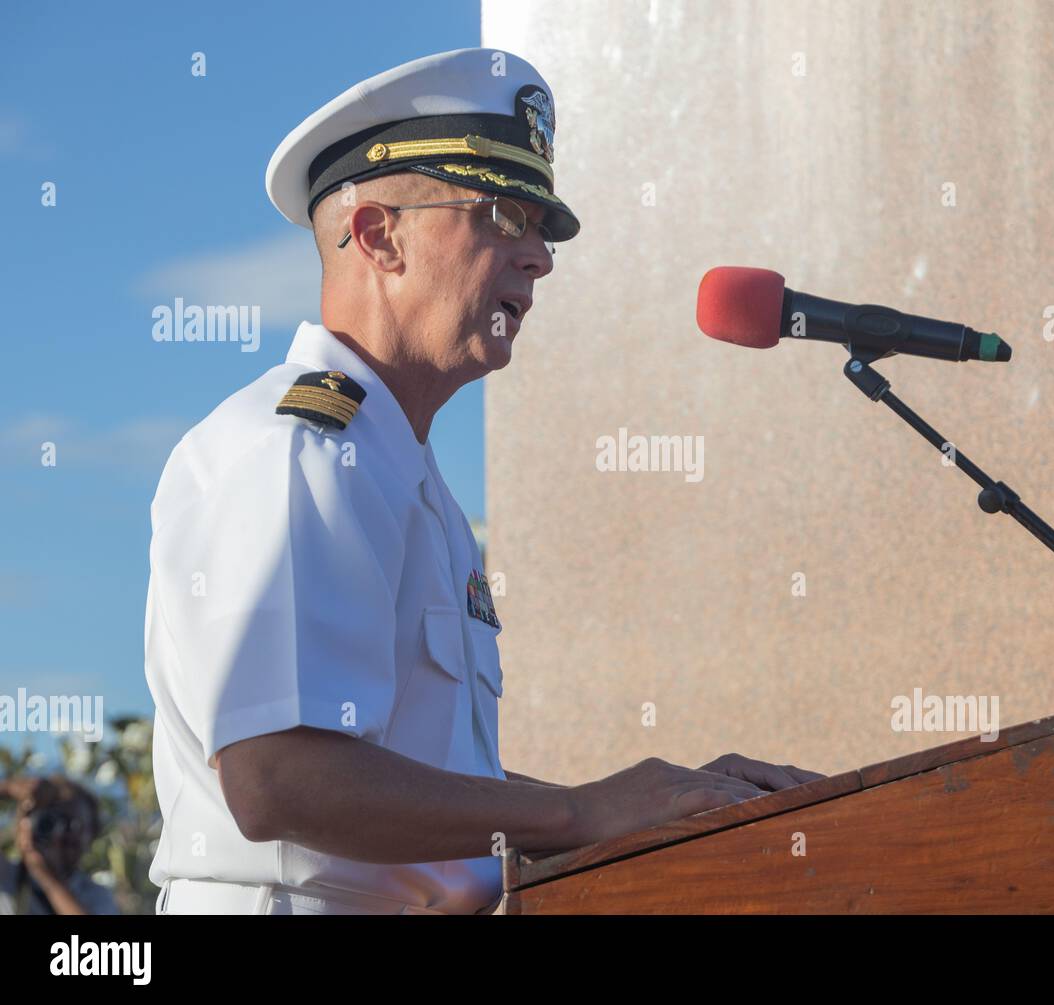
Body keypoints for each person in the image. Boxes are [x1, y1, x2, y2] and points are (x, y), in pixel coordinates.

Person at [144, 47, 824, 917]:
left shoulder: (414, 483)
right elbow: (279, 778)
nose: (539, 257)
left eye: (540, 226)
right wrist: (582, 810)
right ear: (379, 234)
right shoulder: (296, 449)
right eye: (504, 214)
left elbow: (430, 795)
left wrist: (650, 812)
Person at [0, 775, 119, 915]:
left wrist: (45, 876)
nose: (60, 834)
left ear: (91, 835)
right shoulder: (7, 875)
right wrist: (10, 788)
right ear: (24, 825)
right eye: (48, 823)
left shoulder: (96, 896)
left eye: (74, 826)